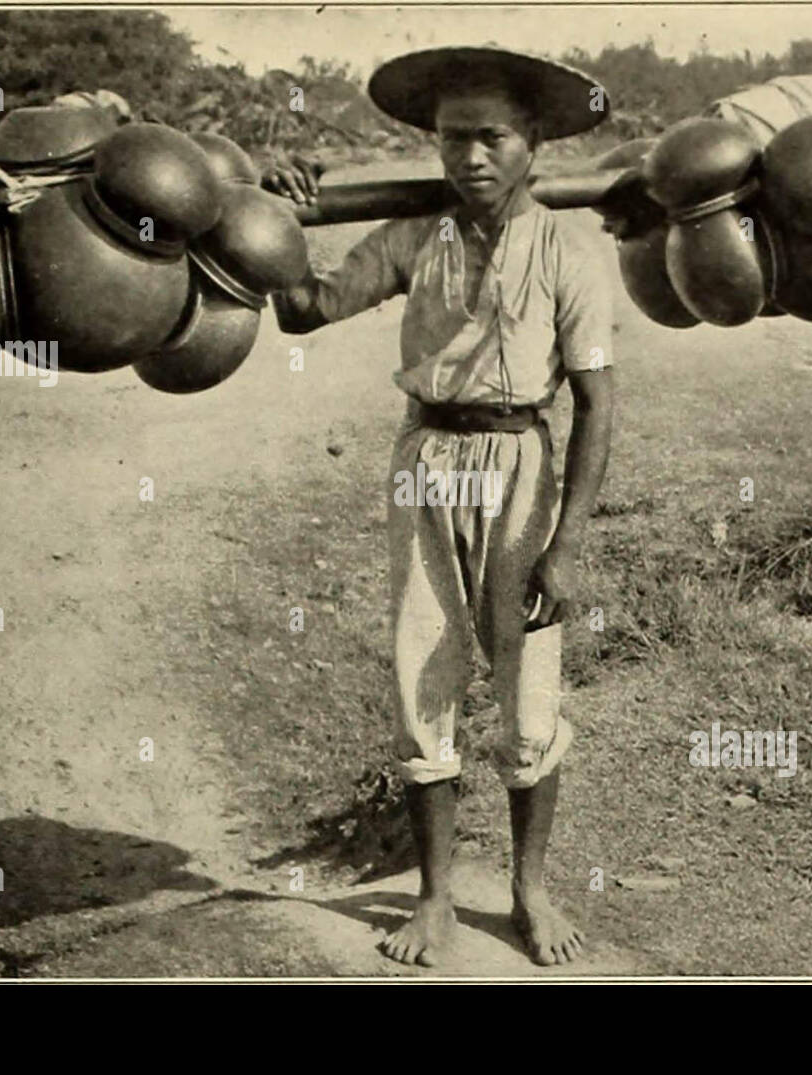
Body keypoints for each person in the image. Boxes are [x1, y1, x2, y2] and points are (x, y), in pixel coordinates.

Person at [266, 47, 614, 968]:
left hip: (522, 465)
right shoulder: (415, 237)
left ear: (532, 143)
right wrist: (268, 215)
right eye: (453, 139)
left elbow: (600, 402)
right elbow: (302, 309)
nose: (470, 157)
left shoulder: (568, 246)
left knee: (530, 693)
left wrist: (565, 545)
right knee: (423, 670)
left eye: (491, 137)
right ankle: (432, 900)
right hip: (427, 462)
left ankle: (529, 890)